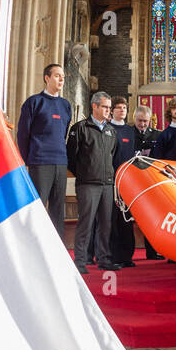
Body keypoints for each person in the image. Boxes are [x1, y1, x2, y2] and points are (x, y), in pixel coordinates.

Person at [66, 91, 121, 274]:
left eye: (109, 107)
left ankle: (104, 259)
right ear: (94, 106)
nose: (108, 110)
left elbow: (113, 156)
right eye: (105, 107)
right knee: (86, 223)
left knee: (106, 224)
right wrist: (84, 173)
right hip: (87, 184)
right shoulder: (80, 128)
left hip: (107, 184)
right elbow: (71, 157)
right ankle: (80, 262)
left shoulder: (111, 131)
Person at [16, 63, 71, 238]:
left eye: (62, 76)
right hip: (40, 162)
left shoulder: (65, 105)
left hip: (60, 163)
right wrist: (29, 160)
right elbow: (23, 134)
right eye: (57, 75)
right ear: (47, 78)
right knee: (38, 208)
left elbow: (63, 133)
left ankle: (58, 251)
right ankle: (35, 246)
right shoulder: (34, 102)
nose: (61, 79)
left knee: (57, 209)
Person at [130, 105, 165, 260]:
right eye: (139, 121)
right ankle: (125, 254)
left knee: (152, 217)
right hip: (132, 181)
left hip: (151, 182)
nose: (142, 124)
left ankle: (152, 251)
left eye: (145, 121)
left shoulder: (158, 135)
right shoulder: (128, 133)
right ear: (134, 118)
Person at [108, 98, 140, 267]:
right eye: (118, 108)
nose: (122, 110)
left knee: (126, 219)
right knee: (113, 220)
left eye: (124, 108)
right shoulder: (108, 129)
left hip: (127, 181)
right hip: (111, 181)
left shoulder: (130, 131)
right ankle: (113, 256)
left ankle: (127, 256)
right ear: (112, 111)